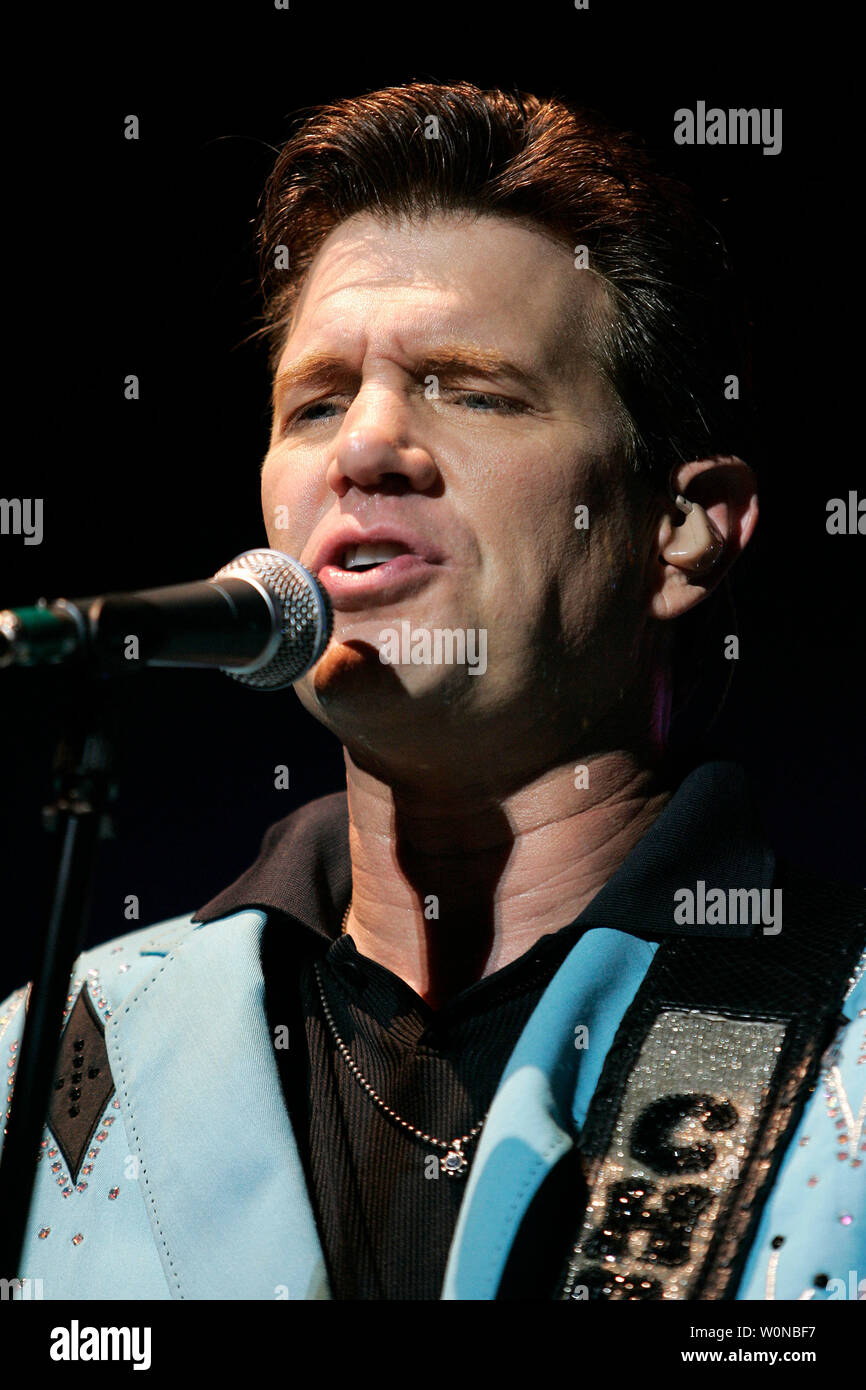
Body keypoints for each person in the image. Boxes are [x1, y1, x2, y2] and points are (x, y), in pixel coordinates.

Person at [2, 81, 863, 1302]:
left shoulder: (844, 1047)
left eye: (470, 388)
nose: (364, 447)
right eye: (314, 401)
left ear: (676, 531)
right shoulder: (52, 1063)